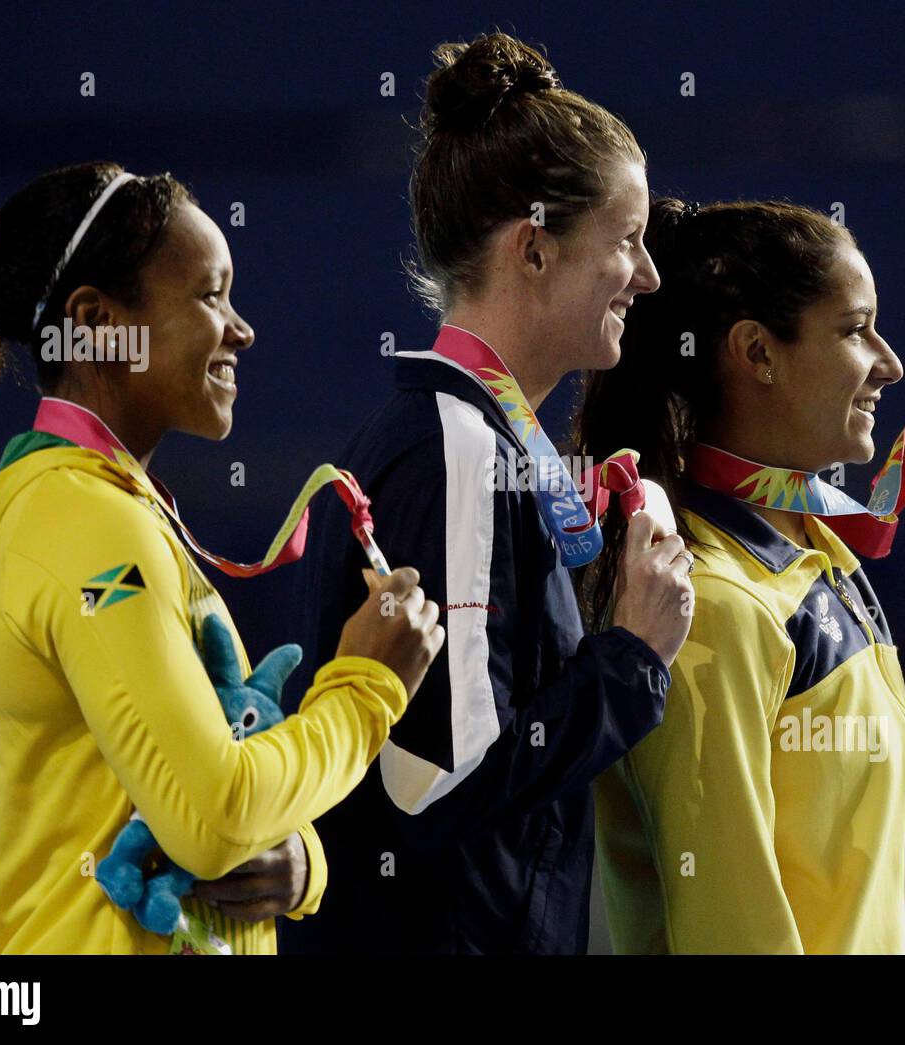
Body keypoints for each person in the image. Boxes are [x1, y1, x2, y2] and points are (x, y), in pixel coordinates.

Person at [0, 161, 443, 954]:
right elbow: (214, 813)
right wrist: (369, 686)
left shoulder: (103, 507)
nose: (241, 327)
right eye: (209, 294)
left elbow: (196, 798)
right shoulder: (84, 523)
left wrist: (300, 863)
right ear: (94, 319)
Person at [280, 33, 692, 955]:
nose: (649, 274)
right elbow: (441, 782)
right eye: (626, 241)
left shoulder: (468, 442)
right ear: (535, 250)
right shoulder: (456, 448)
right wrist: (632, 657)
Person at [578, 198, 905, 954]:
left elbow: (890, 827)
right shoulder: (713, 603)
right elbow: (729, 924)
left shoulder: (814, 558)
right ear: (757, 352)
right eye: (856, 328)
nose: (890, 362)